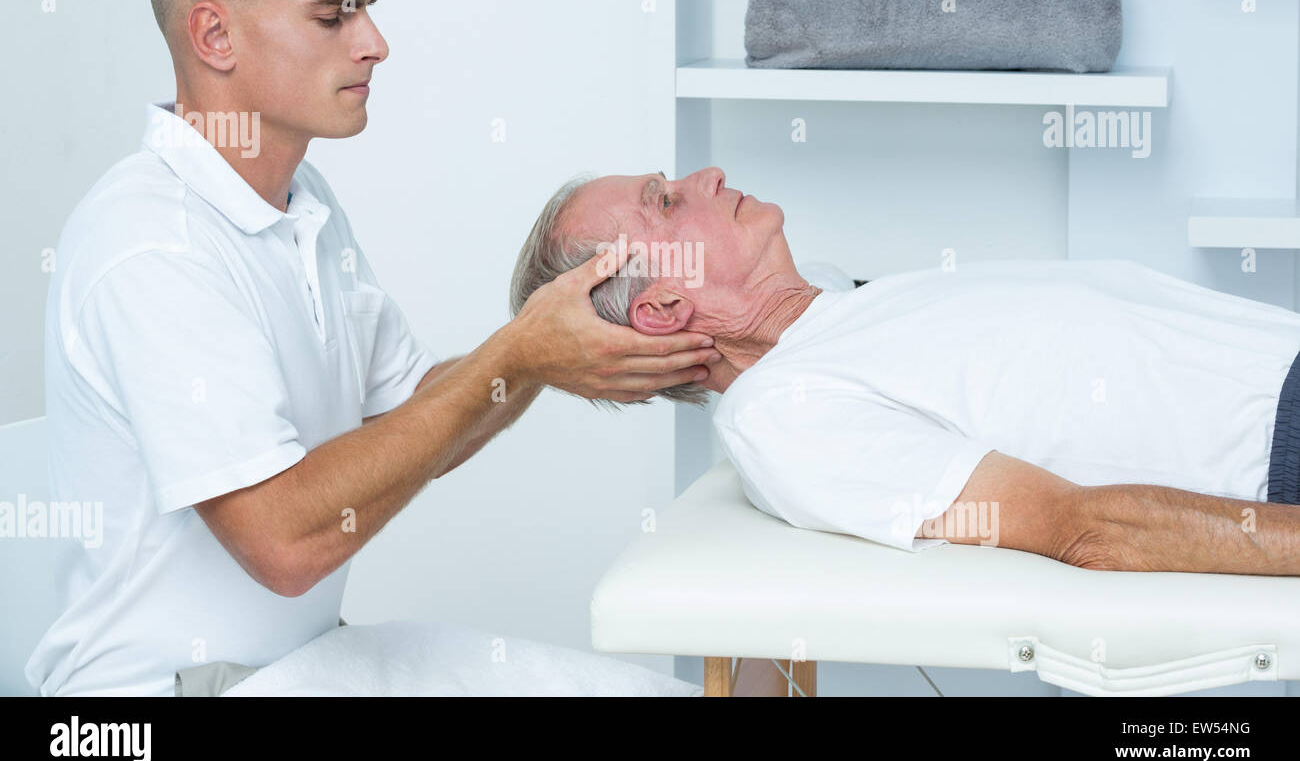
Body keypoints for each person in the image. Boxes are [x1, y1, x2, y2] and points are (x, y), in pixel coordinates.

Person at [27, 0, 717, 696]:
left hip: (304, 664)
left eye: (368, 13)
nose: (376, 44)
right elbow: (283, 542)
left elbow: (418, 413)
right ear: (215, 35)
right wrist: (522, 349)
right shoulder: (151, 245)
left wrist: (543, 348)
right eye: (333, 18)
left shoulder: (303, 202)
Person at [510, 167, 1300, 575]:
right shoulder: (783, 415)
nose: (708, 176)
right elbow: (1083, 529)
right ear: (664, 308)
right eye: (668, 202)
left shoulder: (828, 307)